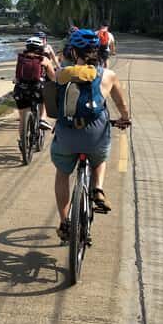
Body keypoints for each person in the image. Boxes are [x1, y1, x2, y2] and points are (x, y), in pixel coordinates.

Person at [51, 29, 131, 241]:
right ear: (99, 51)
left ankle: (64, 221)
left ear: (73, 51)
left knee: (62, 173)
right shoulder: (109, 76)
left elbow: (52, 101)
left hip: (67, 136)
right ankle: (98, 188)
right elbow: (121, 105)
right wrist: (124, 118)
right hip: (95, 136)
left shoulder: (61, 73)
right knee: (100, 158)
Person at [13, 36, 56, 148]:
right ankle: (42, 119)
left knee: (22, 117)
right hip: (36, 89)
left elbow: (17, 75)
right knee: (44, 99)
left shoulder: (21, 58)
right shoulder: (44, 59)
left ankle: (23, 141)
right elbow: (52, 77)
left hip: (20, 90)